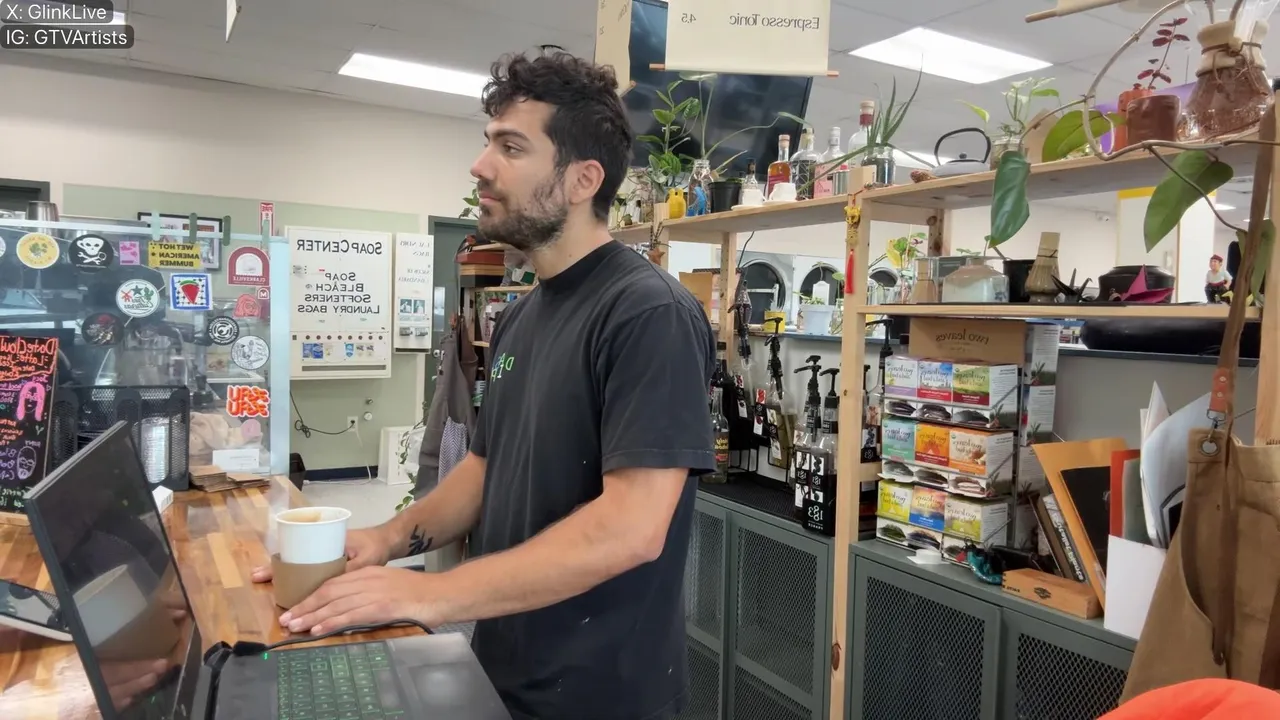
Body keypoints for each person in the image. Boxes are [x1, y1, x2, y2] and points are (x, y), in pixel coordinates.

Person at [251, 51, 716, 719]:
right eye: (487, 142)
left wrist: (427, 595)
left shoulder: (648, 313)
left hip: (600, 696)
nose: (480, 165)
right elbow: (484, 467)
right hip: (503, 669)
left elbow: (632, 528)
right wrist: (386, 540)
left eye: (510, 147)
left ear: (583, 179)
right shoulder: (522, 316)